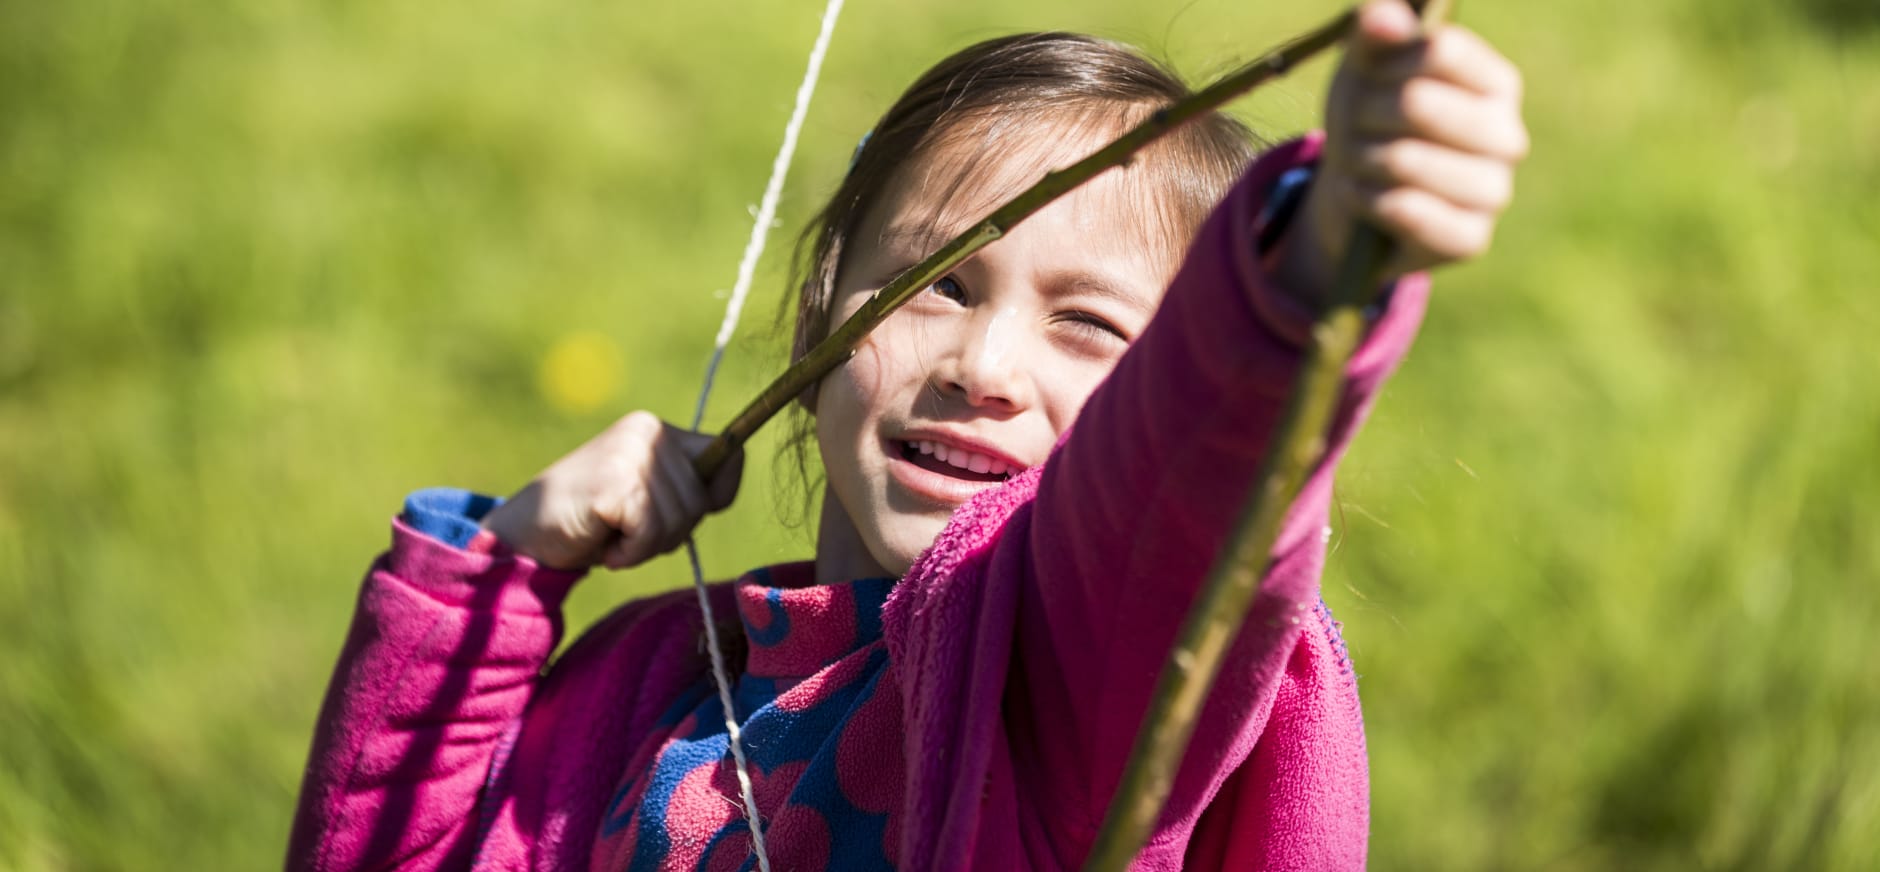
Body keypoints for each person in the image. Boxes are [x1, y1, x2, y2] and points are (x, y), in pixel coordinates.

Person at [288, 2, 1528, 869]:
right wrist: (502, 571)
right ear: (825, 301)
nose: (980, 367)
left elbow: (1186, 474)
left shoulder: (1063, 690)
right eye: (935, 283)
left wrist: (1313, 254)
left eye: (1089, 328)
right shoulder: (653, 682)